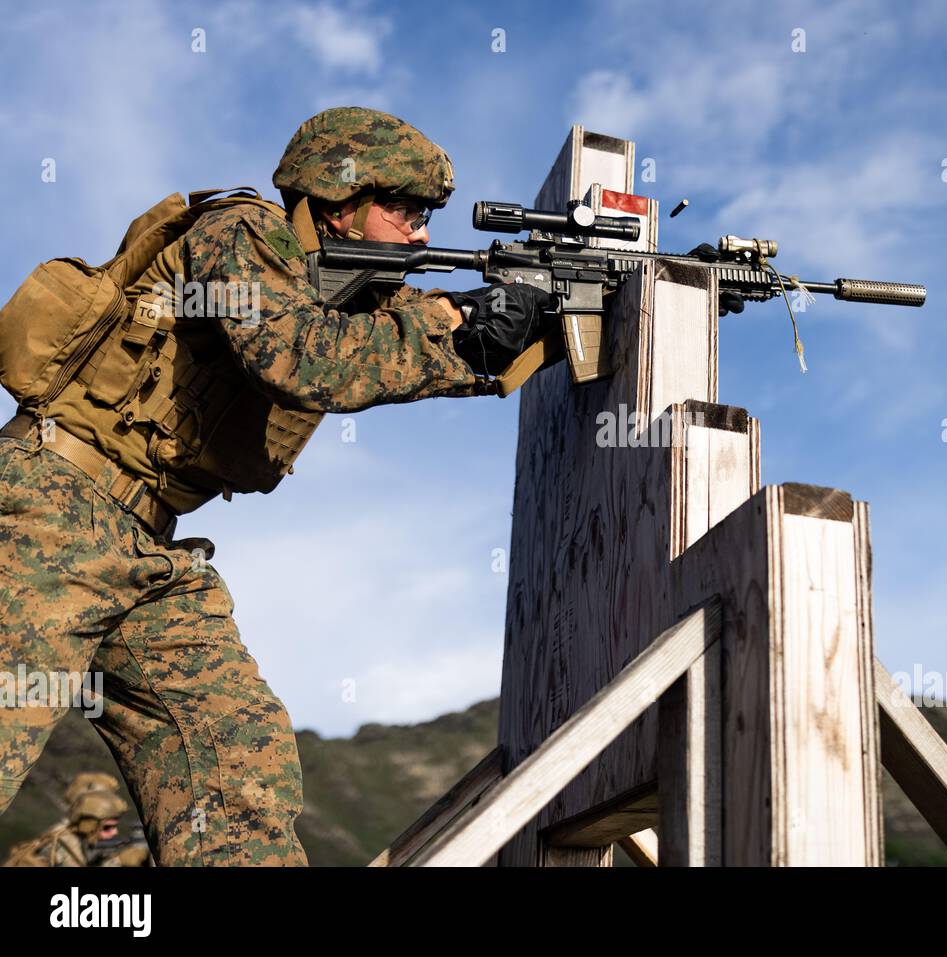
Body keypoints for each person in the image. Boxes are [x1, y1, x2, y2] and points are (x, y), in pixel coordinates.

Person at [0, 106, 554, 866]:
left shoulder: (347, 293)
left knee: (237, 765)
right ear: (337, 197)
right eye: (407, 210)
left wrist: (540, 319)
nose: (423, 232)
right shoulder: (241, 233)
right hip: (50, 510)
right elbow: (304, 358)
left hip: (147, 549)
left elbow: (402, 348)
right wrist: (461, 327)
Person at [4, 789, 129, 867]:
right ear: (89, 825)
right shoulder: (64, 843)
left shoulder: (85, 842)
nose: (115, 832)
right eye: (107, 827)